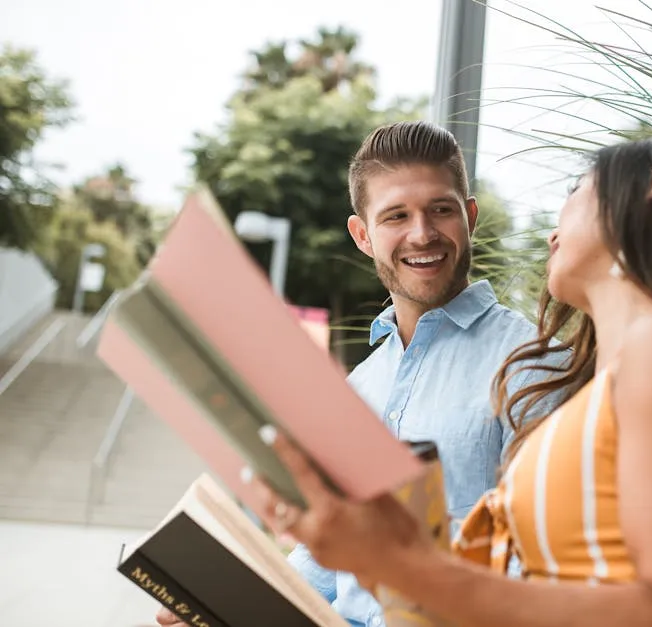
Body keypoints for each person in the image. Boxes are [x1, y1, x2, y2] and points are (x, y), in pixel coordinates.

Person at [248, 136, 652, 627]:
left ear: (648, 187)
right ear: (362, 234)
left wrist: (405, 568)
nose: (552, 227)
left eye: (575, 189)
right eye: (396, 216)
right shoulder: (615, 377)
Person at [156, 121, 566, 627]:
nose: (422, 234)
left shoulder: (534, 363)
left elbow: (546, 565)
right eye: (397, 215)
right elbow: (330, 568)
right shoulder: (360, 385)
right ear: (363, 235)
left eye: (441, 209)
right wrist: (227, 609)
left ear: (471, 216)